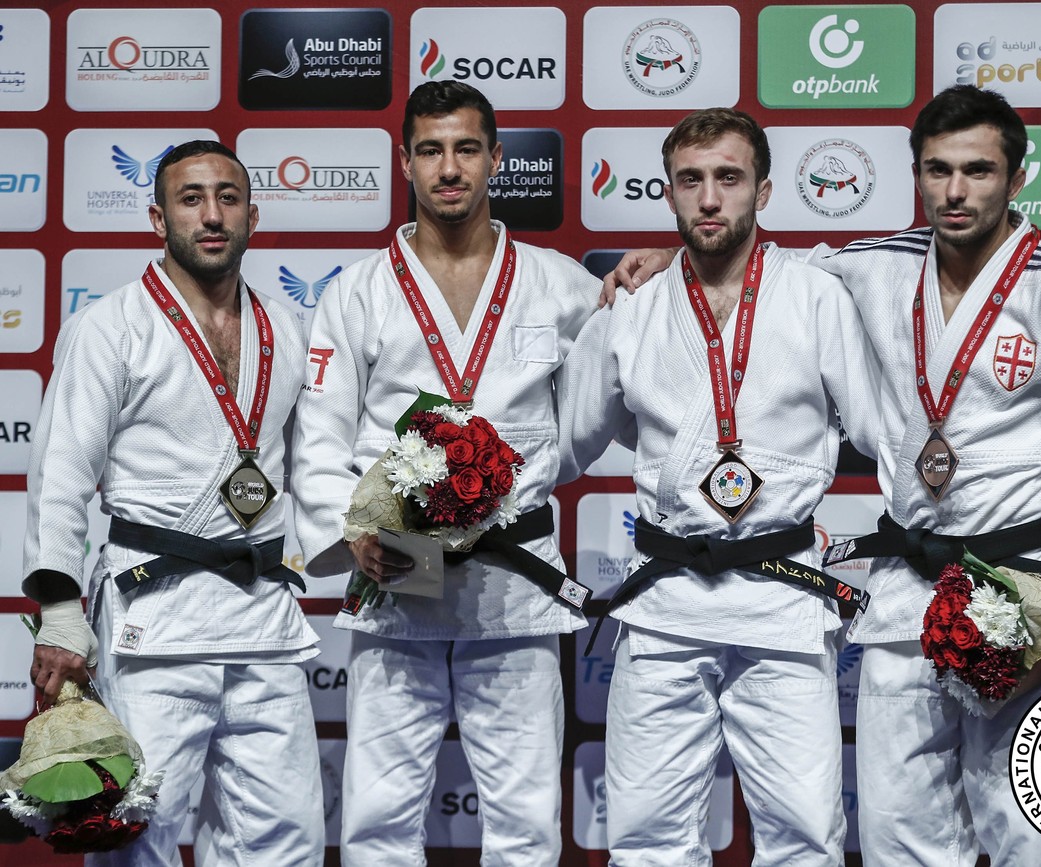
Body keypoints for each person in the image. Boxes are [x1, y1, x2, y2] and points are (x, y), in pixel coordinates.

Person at [607, 85, 1041, 865]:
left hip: (1023, 586)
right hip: (908, 589)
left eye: (978, 170)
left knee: (1024, 824)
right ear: (917, 176)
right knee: (899, 826)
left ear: (1018, 176)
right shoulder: (878, 265)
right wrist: (680, 259)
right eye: (938, 170)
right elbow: (761, 270)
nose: (957, 191)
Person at [290, 81, 601, 866]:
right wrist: (354, 532)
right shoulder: (356, 293)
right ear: (405, 162)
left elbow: (591, 422)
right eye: (431, 150)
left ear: (497, 158)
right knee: (378, 808)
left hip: (514, 577)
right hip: (401, 573)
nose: (449, 167)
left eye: (467, 148)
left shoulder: (562, 284)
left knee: (527, 813)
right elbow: (321, 439)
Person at [557, 107, 878, 866]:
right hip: (668, 603)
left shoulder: (817, 297)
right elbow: (565, 446)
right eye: (691, 180)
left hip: (783, 600)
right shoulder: (630, 307)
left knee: (805, 834)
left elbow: (878, 434)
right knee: (644, 835)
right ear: (667, 192)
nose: (709, 199)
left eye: (728, 179)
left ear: (763, 191)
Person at [23, 140, 323, 866]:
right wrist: (60, 614)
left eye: (226, 198)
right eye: (191, 199)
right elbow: (60, 473)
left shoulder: (285, 326)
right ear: (158, 218)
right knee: (140, 840)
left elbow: (311, 466)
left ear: (253, 214)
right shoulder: (111, 326)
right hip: (154, 620)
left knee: (286, 838)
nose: (211, 215)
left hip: (264, 622)